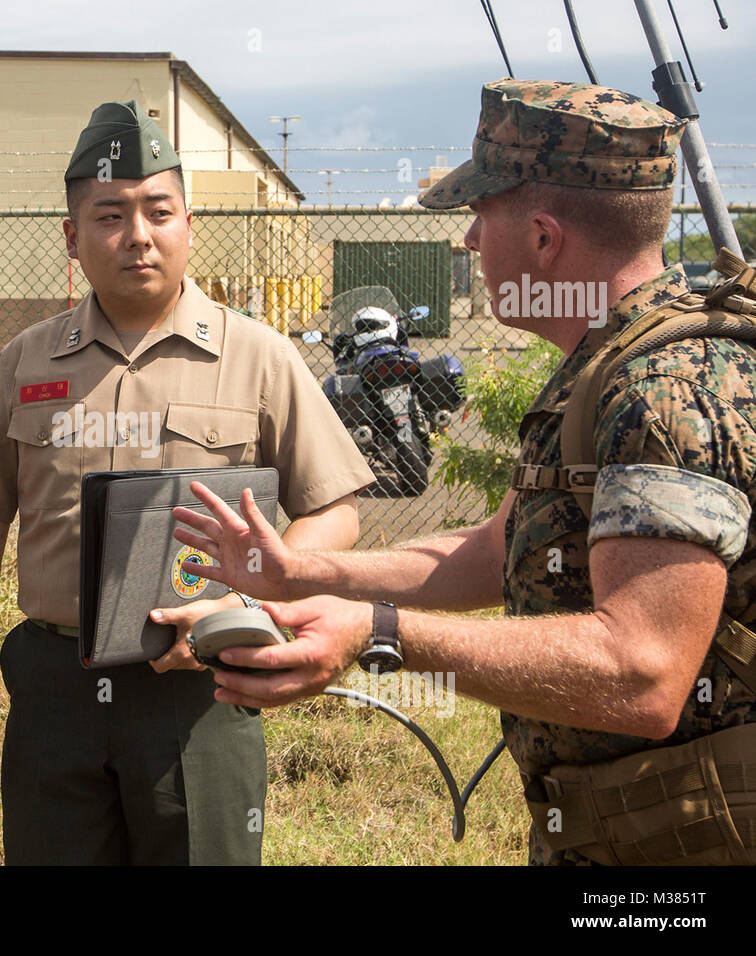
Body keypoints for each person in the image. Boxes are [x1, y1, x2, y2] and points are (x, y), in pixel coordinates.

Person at [173, 79, 756, 866]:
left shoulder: (661, 391)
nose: (472, 244)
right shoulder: (603, 367)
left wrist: (380, 636)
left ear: (545, 240)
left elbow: (641, 673)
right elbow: (493, 549)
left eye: (482, 215)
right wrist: (301, 572)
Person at [0, 100, 373, 865]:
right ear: (72, 237)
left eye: (158, 212)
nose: (138, 235)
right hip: (56, 688)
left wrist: (240, 607)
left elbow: (334, 511)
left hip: (198, 691)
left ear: (189, 226)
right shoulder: (25, 364)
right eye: (110, 216)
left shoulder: (257, 357)